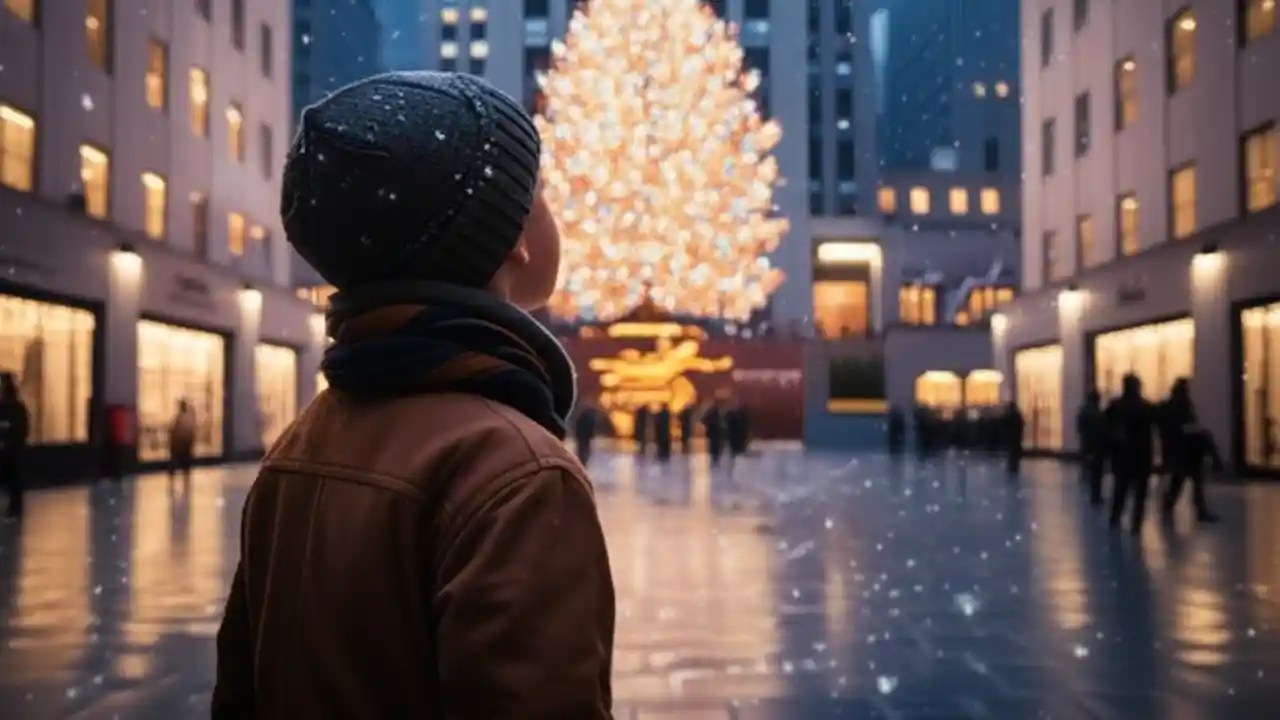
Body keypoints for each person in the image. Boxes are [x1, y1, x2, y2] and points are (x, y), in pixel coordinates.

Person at [213, 72, 614, 718]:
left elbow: (241, 693)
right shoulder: (517, 473)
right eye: (537, 193)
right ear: (513, 238)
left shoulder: (298, 446)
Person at [1159, 378, 1220, 523]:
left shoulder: (1168, 406)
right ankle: (1199, 511)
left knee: (1179, 481)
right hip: (1186, 449)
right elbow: (1187, 426)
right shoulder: (1181, 406)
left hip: (1179, 449)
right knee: (1193, 481)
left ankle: (1169, 506)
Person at [1106, 374, 1156, 534]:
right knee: (1140, 493)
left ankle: (1115, 517)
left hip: (1122, 456)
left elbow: (1106, 429)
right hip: (1141, 456)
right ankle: (1136, 523)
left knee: (1120, 490)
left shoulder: (1115, 406)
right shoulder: (1145, 407)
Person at [0, 373, 31, 517]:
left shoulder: (16, 407)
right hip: (7, 450)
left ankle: (15, 508)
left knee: (13, 478)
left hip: (11, 451)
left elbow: (21, 430)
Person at [1077, 390, 1107, 506]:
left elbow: (1080, 428)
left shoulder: (1083, 412)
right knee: (1097, 471)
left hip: (1086, 443)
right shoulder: (1098, 413)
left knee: (1090, 466)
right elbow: (1102, 429)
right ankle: (1096, 495)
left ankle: (1086, 477)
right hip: (1096, 445)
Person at [169, 399, 198, 481]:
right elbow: (192, 430)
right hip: (186, 442)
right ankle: (185, 476)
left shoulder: (179, 417)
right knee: (185, 461)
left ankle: (174, 475)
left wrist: (172, 440)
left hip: (180, 442)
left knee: (176, 459)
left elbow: (174, 429)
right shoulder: (188, 417)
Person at [1001, 401, 1025, 479]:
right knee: (1014, 453)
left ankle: (1012, 467)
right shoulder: (1017, 415)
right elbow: (1021, 424)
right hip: (1015, 437)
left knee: (1012, 453)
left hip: (1011, 437)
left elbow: (1004, 424)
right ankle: (1014, 467)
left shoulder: (1009, 415)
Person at [573, 400, 599, 467]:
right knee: (585, 450)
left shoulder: (581, 417)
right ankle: (583, 463)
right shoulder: (590, 417)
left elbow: (578, 426)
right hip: (585, 437)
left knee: (581, 450)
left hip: (581, 437)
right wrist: (591, 436)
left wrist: (577, 435)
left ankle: (581, 463)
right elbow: (590, 428)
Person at [703, 399, 726, 466]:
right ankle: (715, 459)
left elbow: (704, 421)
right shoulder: (718, 415)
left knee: (714, 447)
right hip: (715, 433)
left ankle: (714, 459)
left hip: (713, 433)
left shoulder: (710, 414)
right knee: (715, 447)